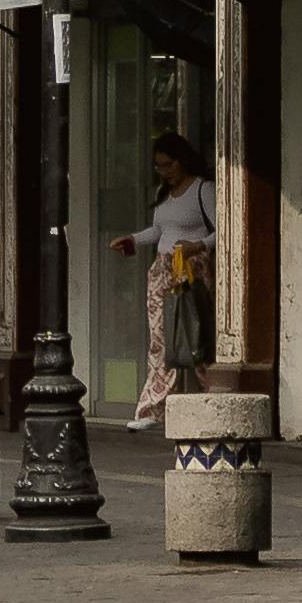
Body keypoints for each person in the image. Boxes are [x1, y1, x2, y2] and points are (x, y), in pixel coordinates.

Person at [110, 133, 215, 424]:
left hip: (190, 268)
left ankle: (216, 399)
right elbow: (159, 231)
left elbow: (223, 229)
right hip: (162, 268)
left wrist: (199, 245)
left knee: (196, 333)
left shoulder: (203, 190)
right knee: (160, 336)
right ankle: (153, 407)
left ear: (181, 161)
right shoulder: (164, 195)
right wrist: (132, 239)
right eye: (158, 167)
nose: (164, 172)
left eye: (167, 165)